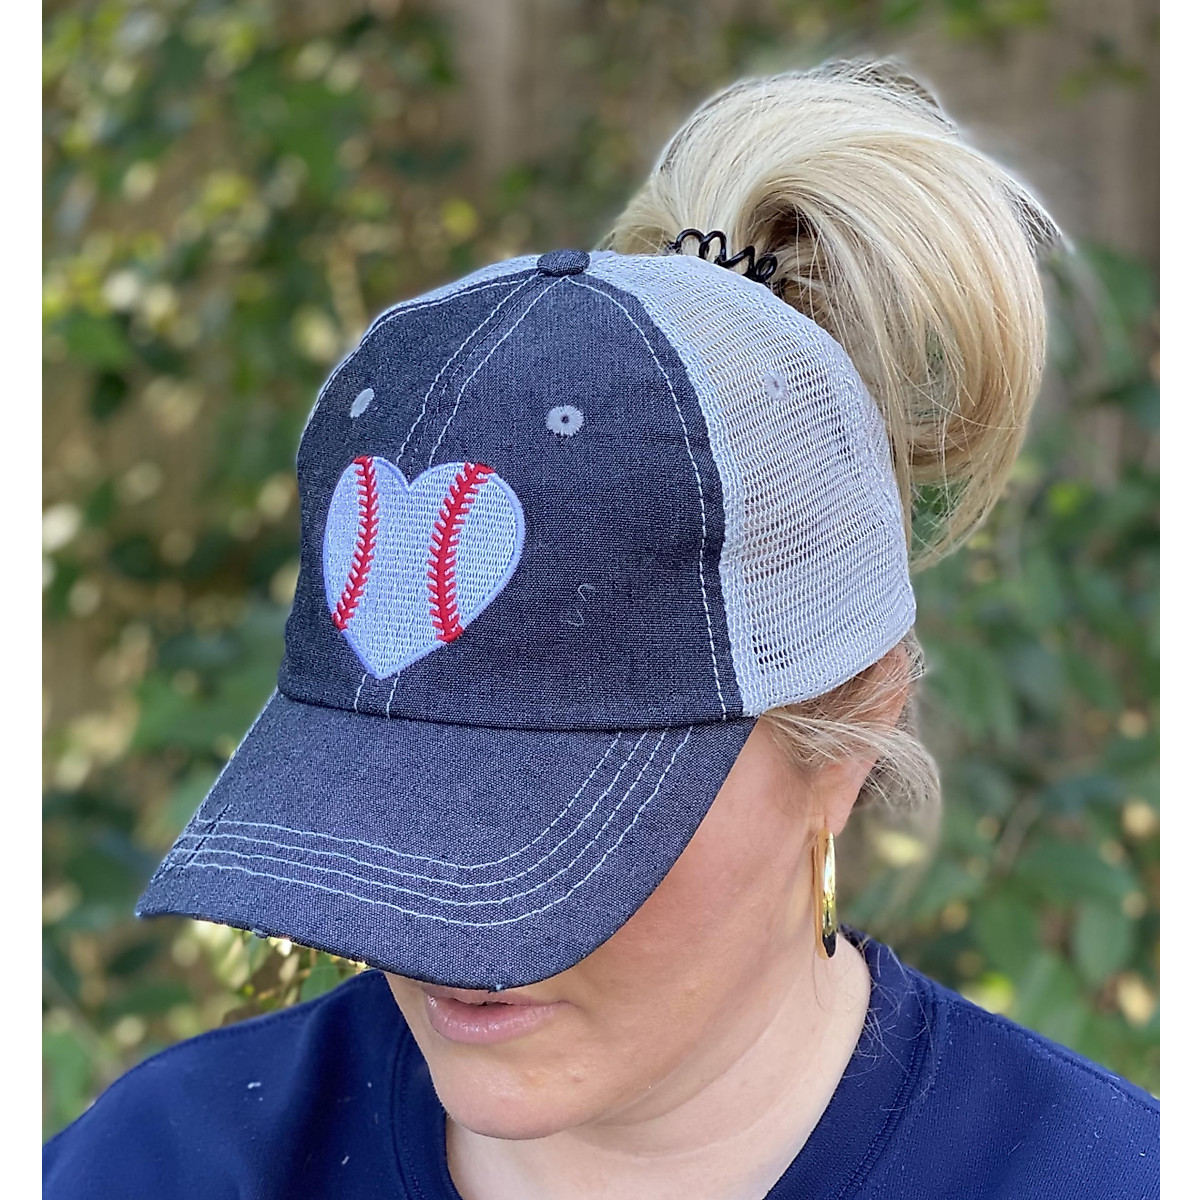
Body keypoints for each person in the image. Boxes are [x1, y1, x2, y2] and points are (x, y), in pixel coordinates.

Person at [43, 60, 1158, 1199]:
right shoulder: (165, 1163)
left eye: (540, 814)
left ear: (850, 734)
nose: (437, 928)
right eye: (386, 806)